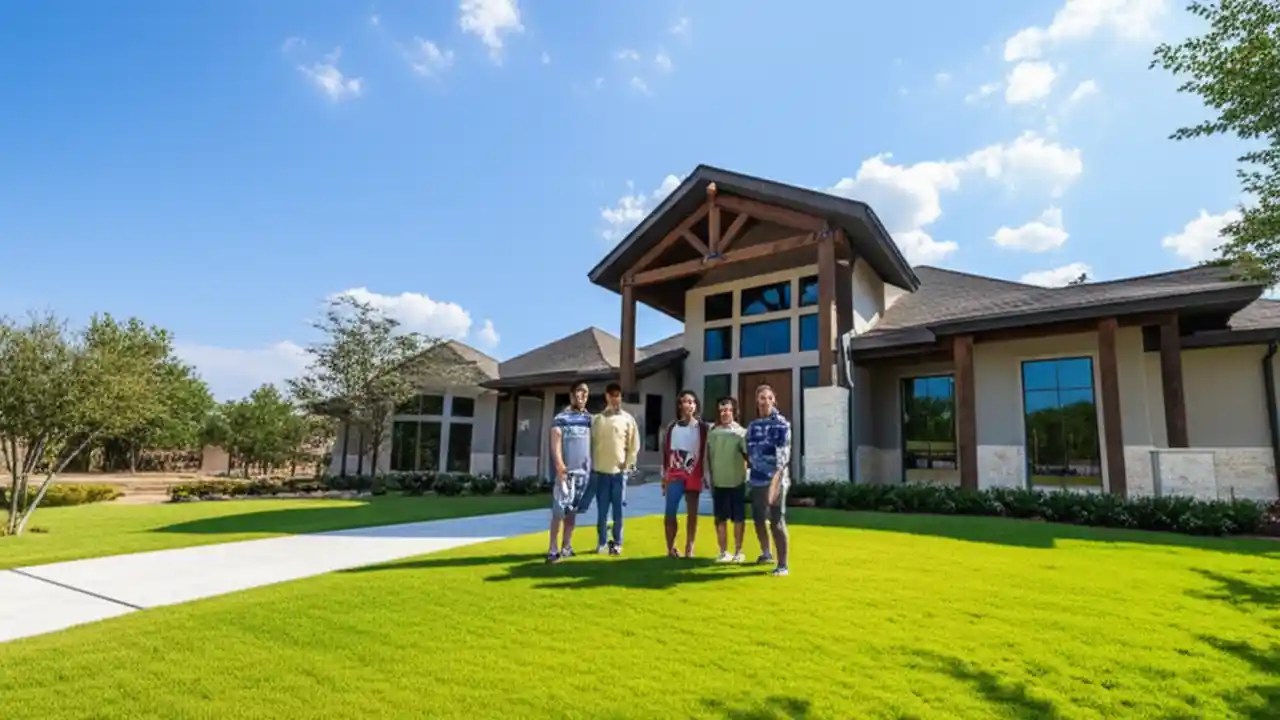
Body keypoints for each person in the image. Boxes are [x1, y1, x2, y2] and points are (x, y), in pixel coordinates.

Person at [745, 383, 791, 576]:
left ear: (773, 400)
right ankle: (766, 553)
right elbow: (749, 452)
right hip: (756, 479)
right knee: (757, 518)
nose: (765, 402)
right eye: (761, 398)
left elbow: (783, 455)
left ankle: (783, 565)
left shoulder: (781, 424)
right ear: (757, 401)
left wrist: (776, 480)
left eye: (768, 398)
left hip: (775, 480)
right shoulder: (753, 426)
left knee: (776, 520)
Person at [590, 382, 639, 556]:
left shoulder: (627, 419)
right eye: (612, 395)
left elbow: (634, 446)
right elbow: (591, 445)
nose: (615, 398)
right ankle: (602, 542)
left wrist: (628, 466)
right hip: (601, 473)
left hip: (619, 475)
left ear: (621, 397)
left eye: (618, 395)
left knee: (618, 511)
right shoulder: (597, 420)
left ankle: (617, 543)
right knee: (602, 511)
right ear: (607, 397)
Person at [547, 381, 592, 563]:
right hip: (565, 473)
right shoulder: (561, 418)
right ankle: (552, 548)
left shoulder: (590, 420)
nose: (582, 397)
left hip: (583, 474)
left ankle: (567, 545)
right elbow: (555, 445)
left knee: (572, 512)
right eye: (579, 393)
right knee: (559, 512)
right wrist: (560, 467)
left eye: (585, 393)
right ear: (572, 395)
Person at [661, 389, 709, 558]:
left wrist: (706, 476)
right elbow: (666, 454)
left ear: (695, 406)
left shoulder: (702, 428)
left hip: (694, 473)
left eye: (692, 402)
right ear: (680, 405)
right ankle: (670, 548)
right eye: (685, 401)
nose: (688, 405)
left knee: (692, 513)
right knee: (670, 512)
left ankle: (690, 546)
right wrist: (664, 476)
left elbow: (706, 452)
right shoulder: (672, 427)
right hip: (674, 473)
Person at [706, 396, 749, 563]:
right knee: (720, 519)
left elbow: (747, 457)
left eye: (728, 410)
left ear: (733, 412)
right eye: (722, 410)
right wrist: (708, 477)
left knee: (738, 518)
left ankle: (739, 551)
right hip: (718, 483)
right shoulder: (713, 433)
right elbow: (708, 457)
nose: (725, 413)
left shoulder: (741, 433)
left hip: (737, 482)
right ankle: (723, 552)